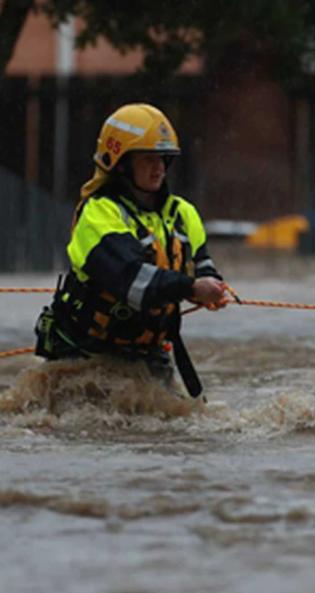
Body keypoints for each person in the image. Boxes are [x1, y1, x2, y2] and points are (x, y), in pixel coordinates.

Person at [35, 103, 227, 398]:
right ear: (120, 163)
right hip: (85, 355)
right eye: (148, 159)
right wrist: (191, 287)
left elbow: (201, 265)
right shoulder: (98, 214)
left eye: (163, 158)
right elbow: (131, 280)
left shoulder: (183, 213)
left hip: (150, 355)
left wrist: (212, 285)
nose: (159, 167)